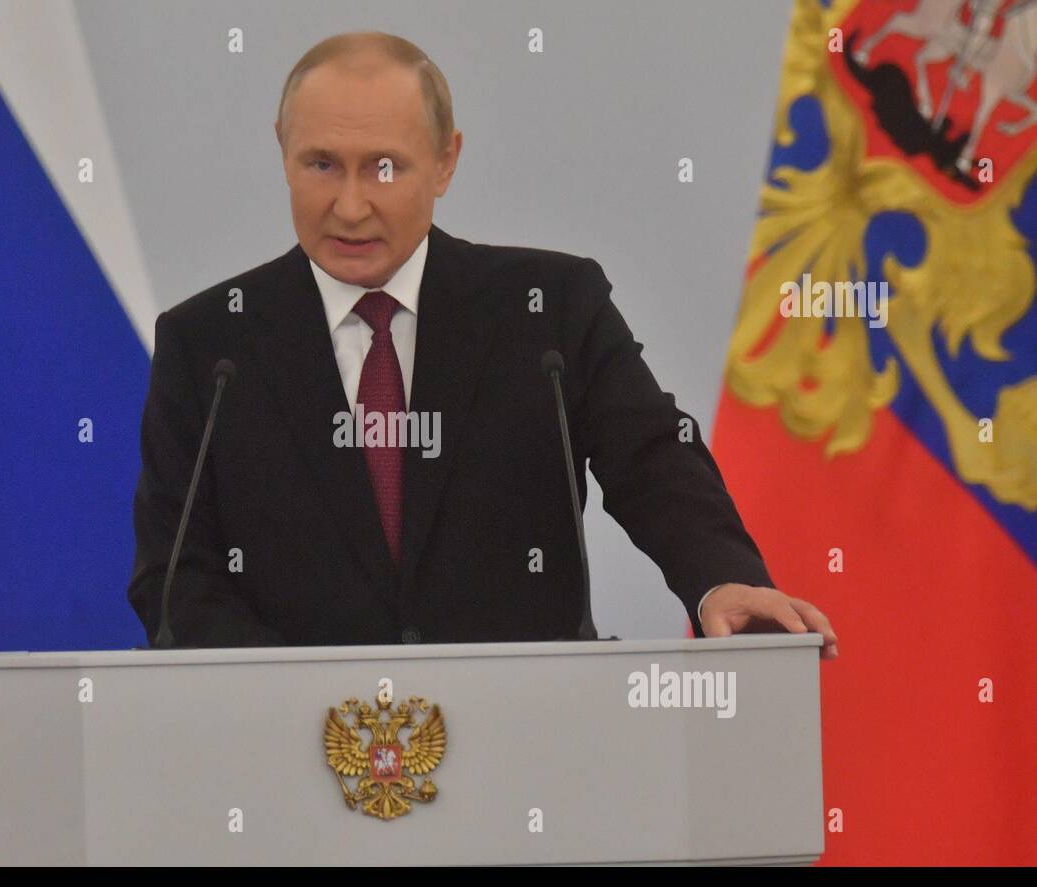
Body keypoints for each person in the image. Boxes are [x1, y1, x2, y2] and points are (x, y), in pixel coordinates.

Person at [128, 31, 839, 658]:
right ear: (282, 152)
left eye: (383, 167)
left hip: (528, 753)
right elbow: (174, 578)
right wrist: (310, 699)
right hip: (295, 763)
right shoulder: (210, 345)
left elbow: (653, 458)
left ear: (445, 162)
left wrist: (721, 576)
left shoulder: (549, 312)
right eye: (321, 165)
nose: (349, 205)